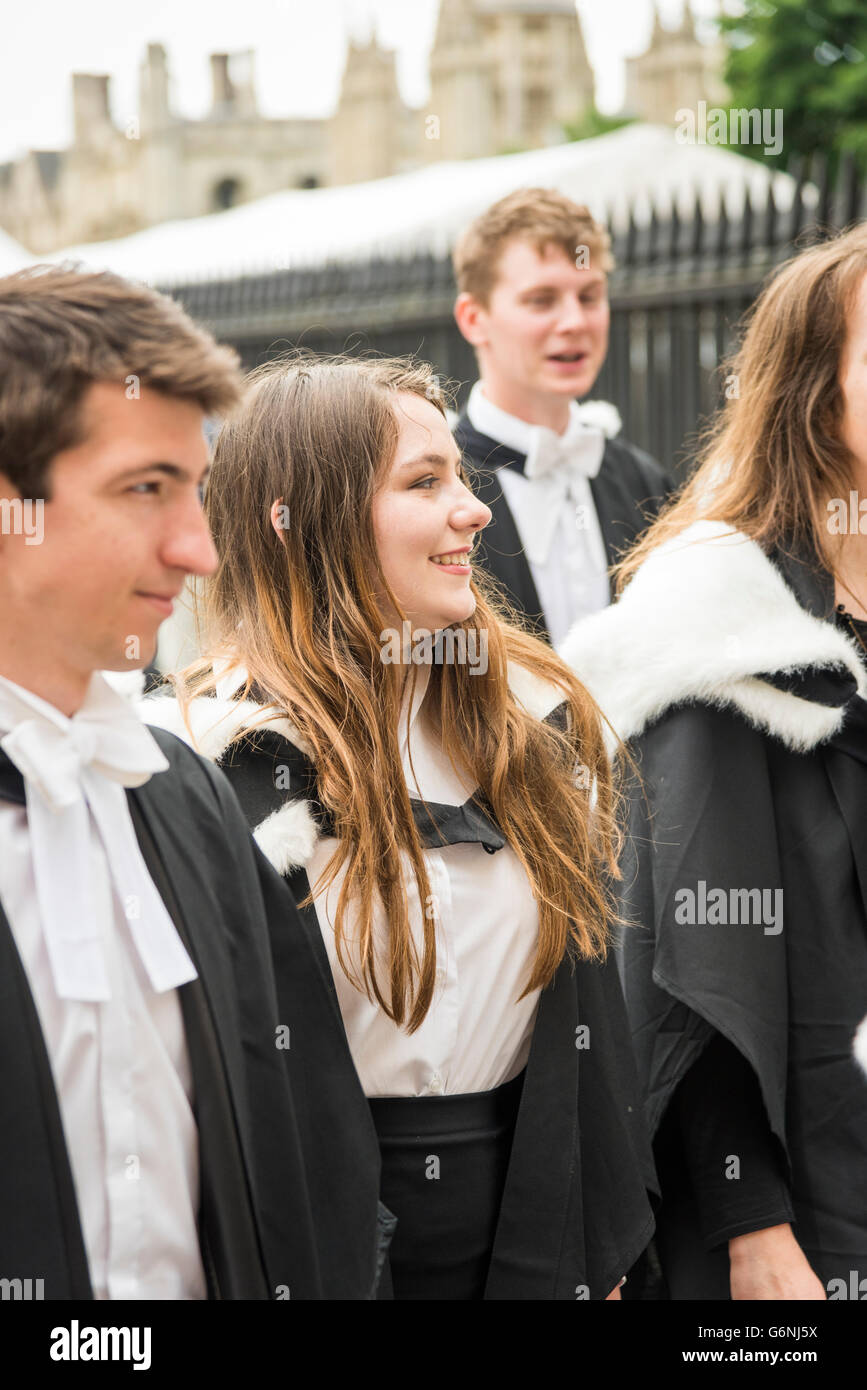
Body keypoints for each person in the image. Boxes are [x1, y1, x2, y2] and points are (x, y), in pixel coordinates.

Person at [143, 353, 657, 1301]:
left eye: (460, 474)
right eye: (425, 482)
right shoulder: (215, 759)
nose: (474, 508)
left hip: (529, 1237)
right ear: (305, 517)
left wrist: (599, 1242)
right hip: (312, 1245)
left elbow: (589, 1026)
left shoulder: (536, 727)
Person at [0, 266, 382, 1300]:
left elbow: (313, 1146)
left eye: (197, 493)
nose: (200, 550)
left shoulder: (182, 789)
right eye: (144, 489)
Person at [559, 223, 867, 1300]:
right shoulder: (718, 619)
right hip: (805, 1186)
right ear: (815, 393)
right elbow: (694, 951)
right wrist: (753, 1218)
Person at [452, 188, 672, 645]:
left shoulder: (646, 483)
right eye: (542, 300)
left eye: (590, 297)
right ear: (474, 319)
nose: (574, 321)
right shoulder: (439, 493)